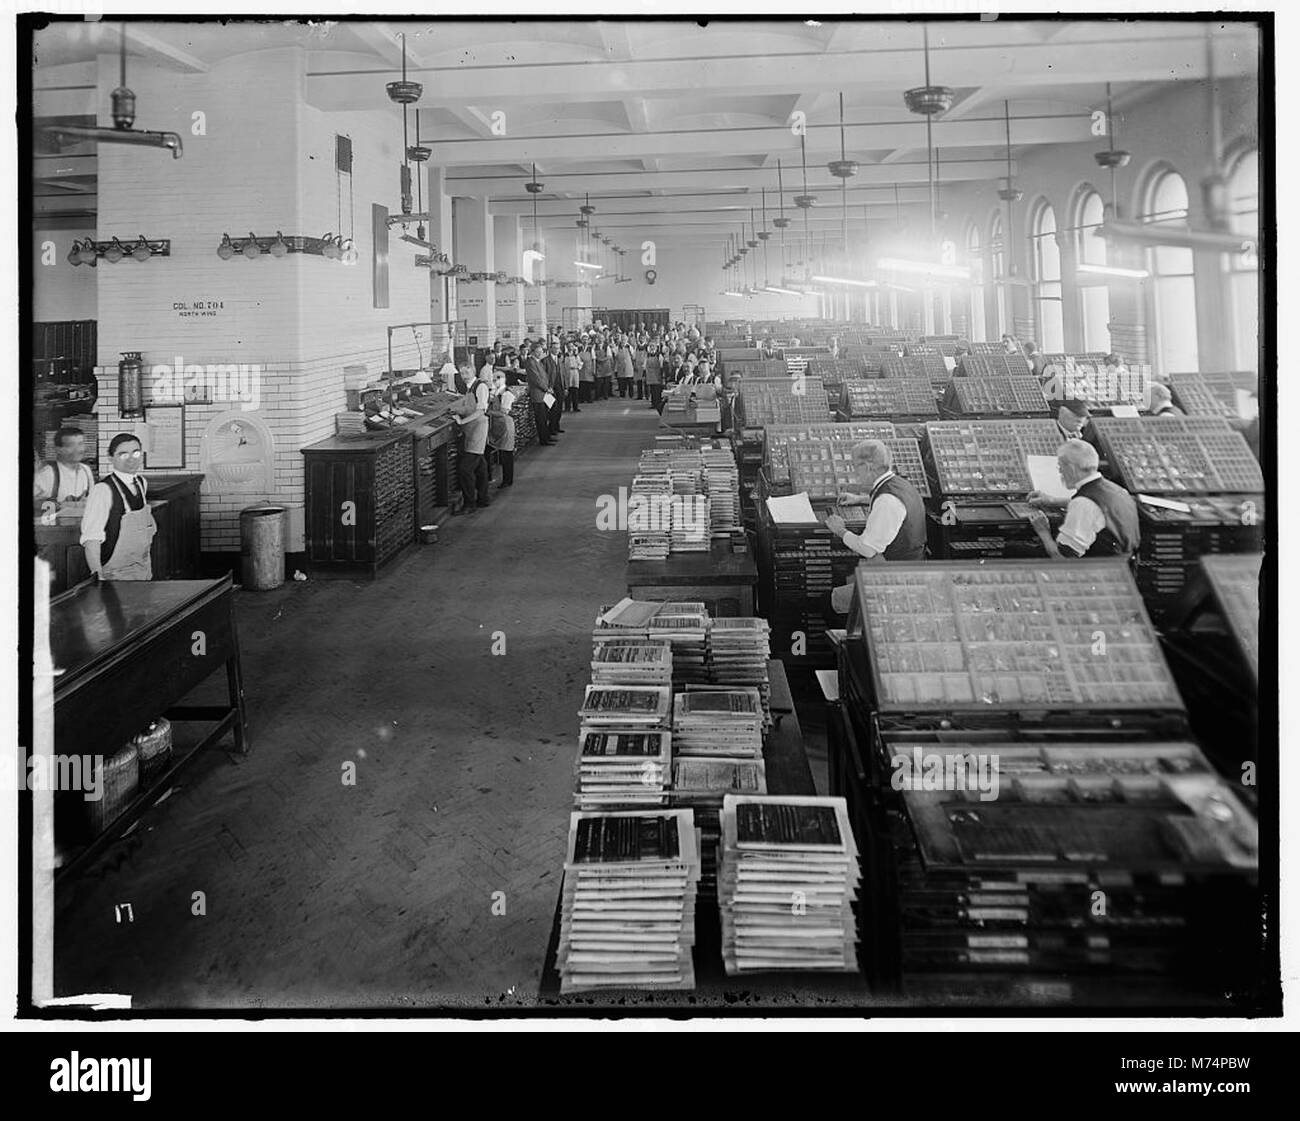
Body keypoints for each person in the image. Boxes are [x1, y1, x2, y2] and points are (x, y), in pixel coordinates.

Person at [824, 441, 928, 613]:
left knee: (828, 602)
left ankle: (853, 637)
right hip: (910, 566)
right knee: (847, 578)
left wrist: (840, 530)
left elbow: (868, 549)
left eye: (855, 466)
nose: (854, 472)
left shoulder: (887, 501)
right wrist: (859, 499)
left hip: (895, 580)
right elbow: (888, 499)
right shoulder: (899, 484)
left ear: (867, 467)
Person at [1026, 439, 1139, 559]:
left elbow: (1063, 559)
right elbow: (1099, 508)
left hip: (1096, 572)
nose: (1059, 471)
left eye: (1060, 466)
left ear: (1071, 468)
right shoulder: (1118, 491)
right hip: (1124, 567)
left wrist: (1043, 532)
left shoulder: (1083, 504)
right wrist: (1053, 501)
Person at [80, 433, 156, 581]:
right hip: (115, 574)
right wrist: (98, 577)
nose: (131, 459)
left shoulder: (141, 483)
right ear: (110, 457)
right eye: (123, 454)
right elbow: (91, 539)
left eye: (136, 453)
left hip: (142, 570)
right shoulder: (102, 490)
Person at [453, 365, 492, 512]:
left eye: (467, 372)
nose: (464, 375)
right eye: (462, 372)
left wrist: (461, 421)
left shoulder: (480, 386)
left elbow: (481, 410)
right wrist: (457, 410)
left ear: (474, 372)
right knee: (480, 467)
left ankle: (470, 504)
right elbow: (470, 407)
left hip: (478, 429)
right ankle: (483, 498)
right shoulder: (470, 388)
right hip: (471, 429)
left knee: (465, 469)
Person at [34, 427, 95, 507]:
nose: (78, 450)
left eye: (80, 444)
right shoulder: (47, 474)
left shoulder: (86, 470)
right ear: (58, 449)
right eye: (71, 445)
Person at [487, 369, 517, 488]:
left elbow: (504, 412)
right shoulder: (497, 393)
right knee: (501, 452)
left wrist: (488, 412)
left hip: (505, 425)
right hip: (497, 425)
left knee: (507, 454)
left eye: (497, 379)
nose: (495, 381)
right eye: (494, 379)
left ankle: (507, 480)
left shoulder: (506, 394)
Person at [525, 344, 554, 446]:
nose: (540, 353)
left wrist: (548, 387)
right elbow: (536, 379)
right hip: (538, 394)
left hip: (544, 393)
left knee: (545, 416)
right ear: (533, 352)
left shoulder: (538, 361)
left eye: (541, 352)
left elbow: (544, 376)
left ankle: (547, 436)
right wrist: (546, 388)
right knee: (541, 418)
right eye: (538, 352)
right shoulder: (530, 362)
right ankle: (543, 439)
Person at [545, 343, 566, 437]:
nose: (557, 350)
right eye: (555, 348)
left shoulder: (560, 360)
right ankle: (551, 428)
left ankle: (557, 426)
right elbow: (544, 376)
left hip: (560, 387)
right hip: (551, 388)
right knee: (553, 408)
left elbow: (563, 374)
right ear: (550, 349)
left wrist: (565, 387)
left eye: (558, 348)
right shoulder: (545, 360)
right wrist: (547, 387)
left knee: (559, 408)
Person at [645, 343, 665, 413]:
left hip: (657, 375)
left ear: (656, 347)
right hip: (650, 375)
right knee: (652, 390)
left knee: (657, 390)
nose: (652, 348)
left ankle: (657, 404)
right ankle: (653, 403)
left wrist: (661, 375)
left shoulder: (659, 355)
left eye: (653, 346)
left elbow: (661, 365)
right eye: (651, 346)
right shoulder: (648, 354)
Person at [564, 343, 582, 413]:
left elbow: (580, 363)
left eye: (571, 346)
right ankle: (567, 407)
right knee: (567, 391)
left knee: (575, 391)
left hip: (575, 372)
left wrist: (578, 367)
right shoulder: (564, 355)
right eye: (569, 346)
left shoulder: (576, 355)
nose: (570, 347)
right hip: (567, 373)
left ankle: (575, 407)